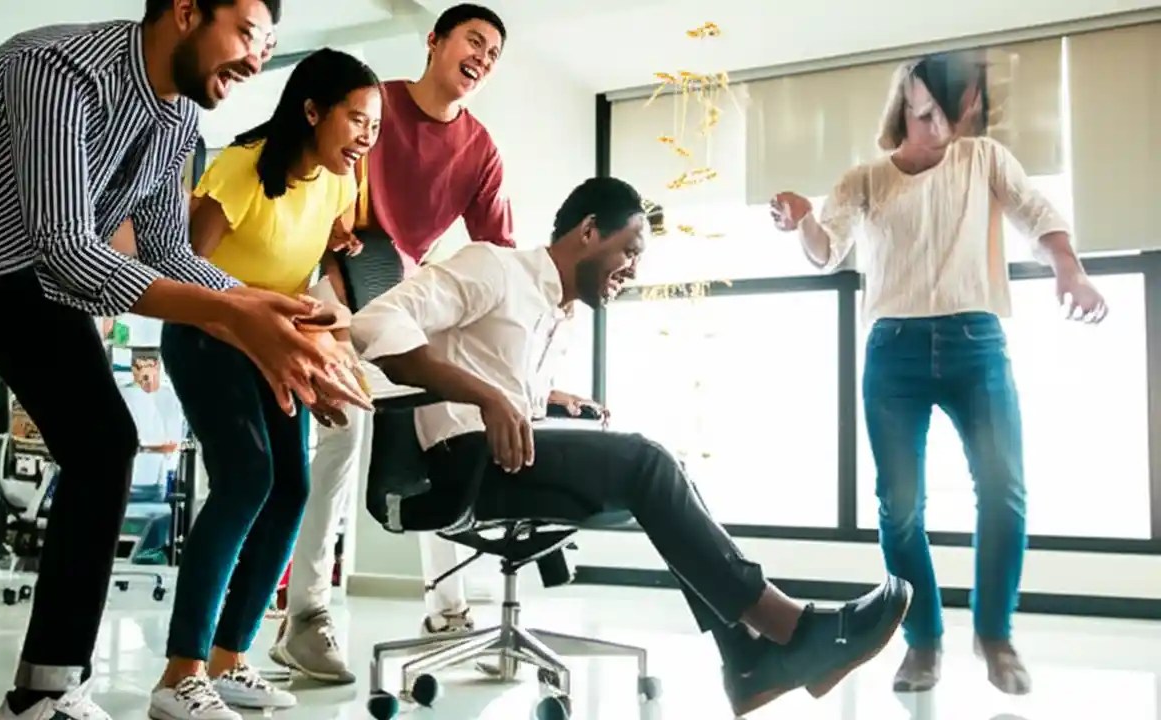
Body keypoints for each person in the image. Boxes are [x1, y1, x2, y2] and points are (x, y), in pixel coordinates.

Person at [0, 2, 371, 719]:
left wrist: (274, 314)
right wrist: (236, 316)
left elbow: (171, 251)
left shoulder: (176, 120)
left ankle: (45, 692)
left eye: (268, 45)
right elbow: (67, 247)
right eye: (245, 33)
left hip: (22, 260)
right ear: (186, 11)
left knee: (104, 442)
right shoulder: (58, 71)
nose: (256, 58)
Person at [348, 176, 912, 717]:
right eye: (630, 250)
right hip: (460, 467)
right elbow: (375, 322)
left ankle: (746, 659)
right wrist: (487, 396)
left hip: (504, 457)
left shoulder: (557, 314)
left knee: (664, 474)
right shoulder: (493, 267)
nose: (633, 270)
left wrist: (546, 399)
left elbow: (499, 377)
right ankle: (792, 629)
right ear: (588, 231)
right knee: (646, 462)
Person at [770, 53, 1108, 696]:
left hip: (975, 343)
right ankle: (921, 642)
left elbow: (1037, 214)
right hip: (893, 352)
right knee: (899, 508)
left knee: (1004, 490)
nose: (936, 130)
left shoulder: (984, 160)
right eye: (923, 114)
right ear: (904, 102)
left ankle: (994, 635)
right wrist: (802, 220)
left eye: (948, 118)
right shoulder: (865, 179)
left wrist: (1069, 267)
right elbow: (826, 251)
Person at [271, 2, 528, 683]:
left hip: (402, 295)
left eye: (494, 54)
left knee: (448, 427)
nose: (482, 58)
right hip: (336, 278)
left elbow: (498, 254)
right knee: (344, 434)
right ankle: (305, 614)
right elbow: (310, 169)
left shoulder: (479, 149)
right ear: (434, 41)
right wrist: (332, 232)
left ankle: (449, 609)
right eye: (474, 41)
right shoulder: (373, 104)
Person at [149, 49, 380, 720]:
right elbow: (181, 266)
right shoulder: (241, 168)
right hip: (208, 331)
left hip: (274, 341)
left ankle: (230, 659)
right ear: (311, 111)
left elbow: (324, 239)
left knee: (292, 488)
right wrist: (247, 316)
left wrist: (338, 265)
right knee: (247, 478)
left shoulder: (340, 179)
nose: (367, 137)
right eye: (356, 120)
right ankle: (180, 672)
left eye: (375, 126)